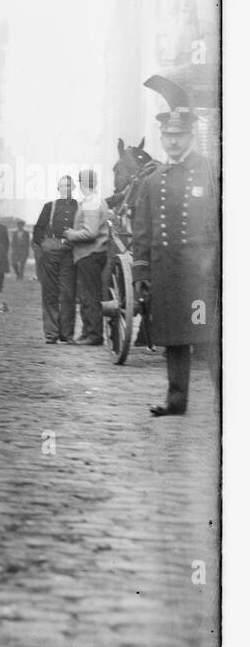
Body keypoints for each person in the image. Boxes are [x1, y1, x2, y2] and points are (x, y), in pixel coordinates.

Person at [131, 100, 219, 416]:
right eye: (168, 135)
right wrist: (141, 275)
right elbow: (142, 232)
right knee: (174, 338)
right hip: (166, 272)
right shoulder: (153, 181)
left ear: (191, 134)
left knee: (208, 339)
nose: (173, 141)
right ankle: (176, 400)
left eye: (179, 135)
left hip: (201, 273)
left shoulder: (211, 172)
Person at [63, 170, 113, 346]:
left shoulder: (91, 202)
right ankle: (87, 332)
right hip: (93, 254)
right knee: (87, 295)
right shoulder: (97, 200)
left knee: (89, 296)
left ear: (83, 183)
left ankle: (94, 334)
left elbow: (91, 232)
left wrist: (71, 234)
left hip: (89, 254)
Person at [33, 176, 79, 343]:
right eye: (62, 186)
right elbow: (37, 231)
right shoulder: (49, 207)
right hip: (51, 254)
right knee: (50, 292)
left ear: (73, 188)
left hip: (70, 253)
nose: (65, 189)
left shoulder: (79, 207)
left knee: (68, 293)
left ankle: (67, 335)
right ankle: (51, 334)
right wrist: (45, 244)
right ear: (58, 188)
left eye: (68, 186)